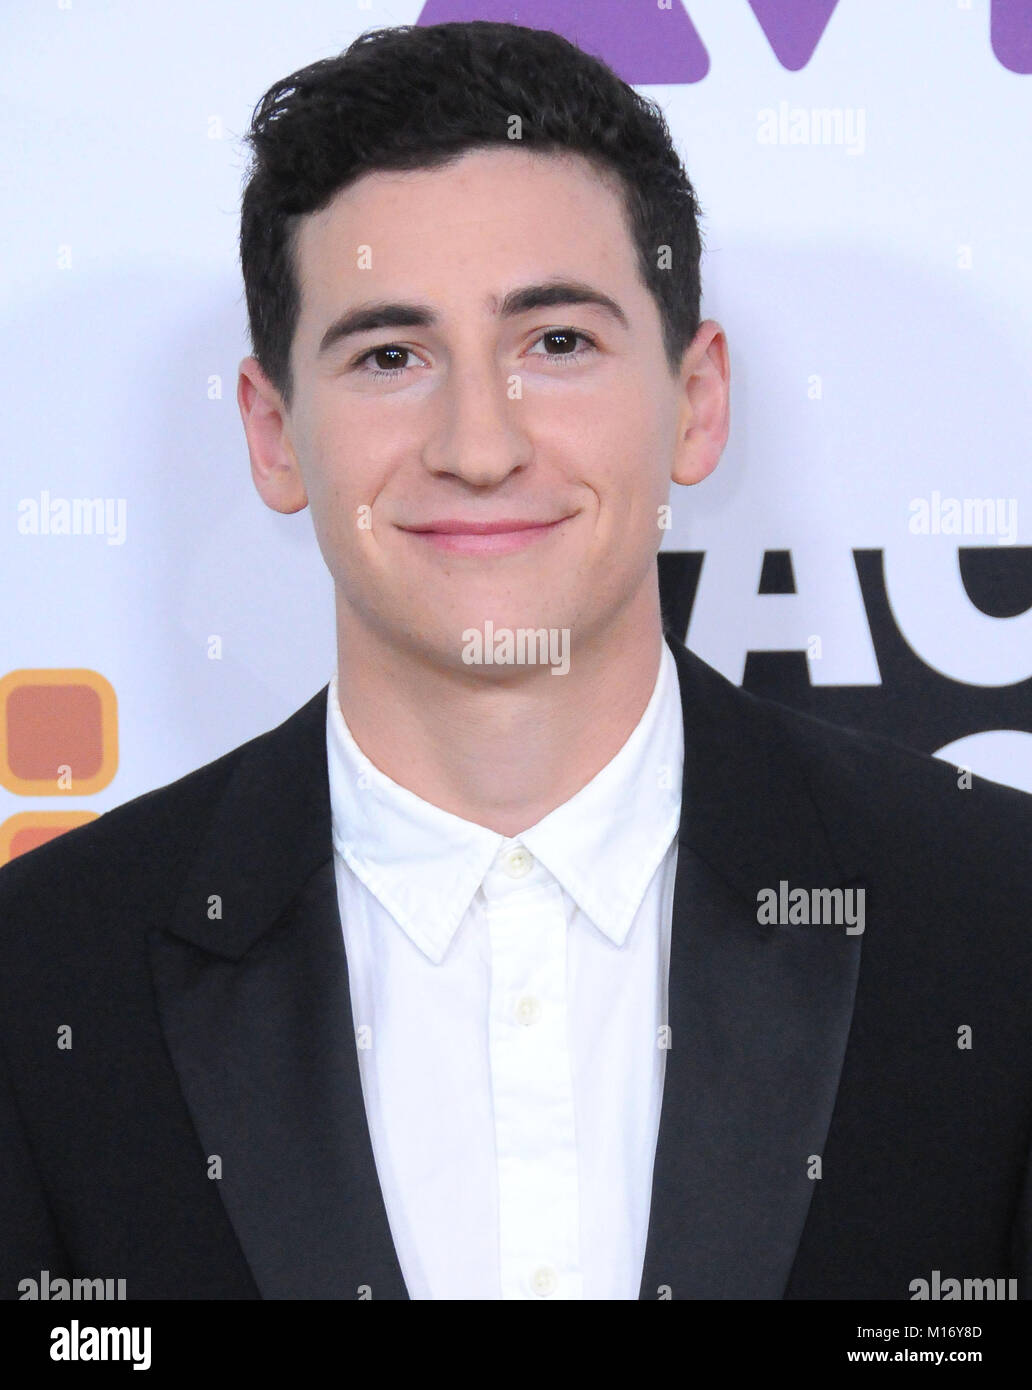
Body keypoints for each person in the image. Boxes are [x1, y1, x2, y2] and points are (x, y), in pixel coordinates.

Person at [2, 20, 1031, 1302]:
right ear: (273, 433)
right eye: (391, 355)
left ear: (696, 400)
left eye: (557, 344)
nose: (479, 445)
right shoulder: (42, 976)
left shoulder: (998, 916)